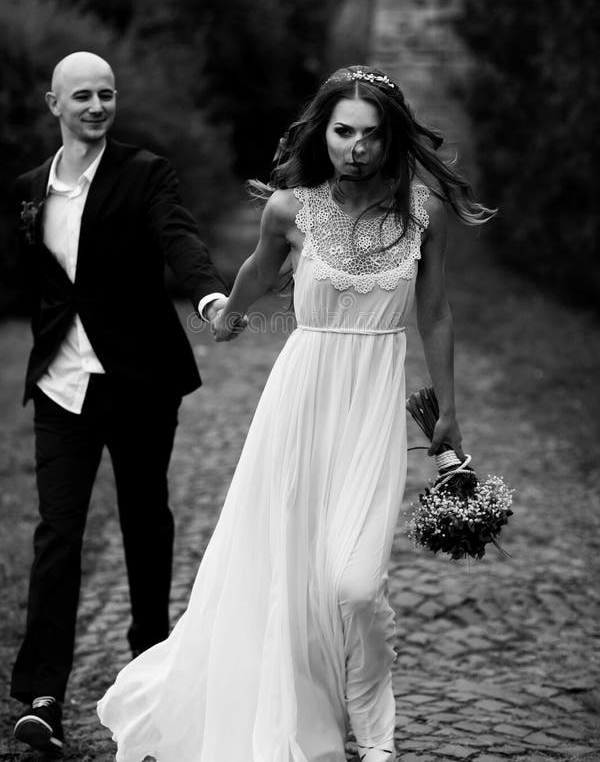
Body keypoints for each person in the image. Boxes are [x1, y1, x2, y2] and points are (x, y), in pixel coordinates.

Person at [97, 65, 493, 761]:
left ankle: (377, 734)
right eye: (344, 132)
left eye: (372, 135)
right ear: (326, 133)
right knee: (292, 571)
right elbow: (257, 270)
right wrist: (228, 314)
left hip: (371, 402)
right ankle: (306, 716)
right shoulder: (291, 209)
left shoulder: (421, 211)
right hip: (300, 398)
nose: (357, 147)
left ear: (391, 138)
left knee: (356, 584)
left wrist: (449, 412)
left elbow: (434, 311)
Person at [11, 52, 240, 754]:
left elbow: (179, 237)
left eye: (106, 94)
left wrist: (206, 294)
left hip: (138, 380)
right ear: (53, 104)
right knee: (57, 533)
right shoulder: (27, 189)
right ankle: (44, 697)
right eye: (81, 95)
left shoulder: (145, 173)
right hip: (62, 385)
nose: (96, 106)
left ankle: (150, 664)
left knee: (146, 520)